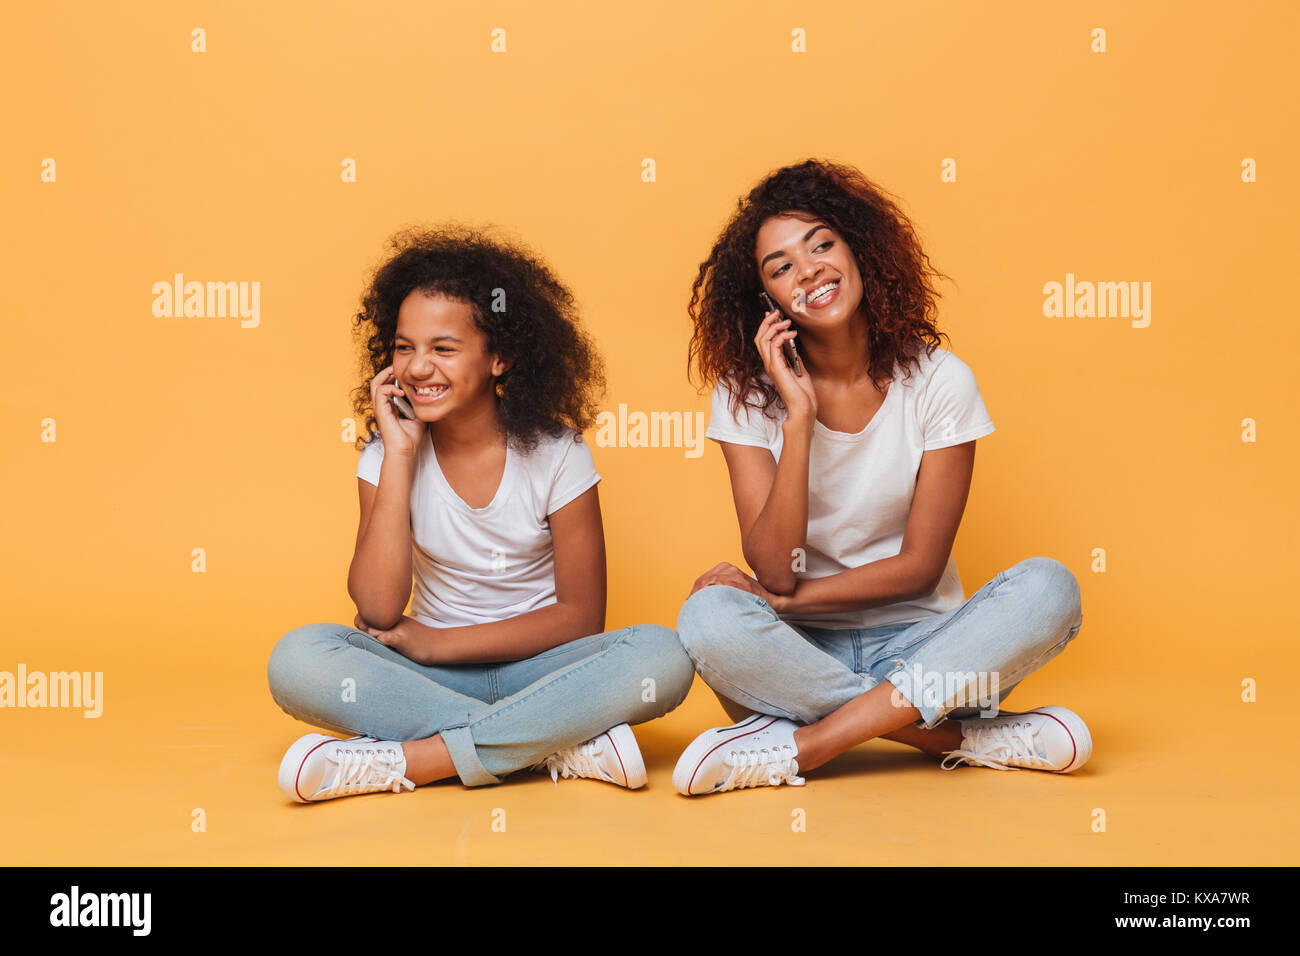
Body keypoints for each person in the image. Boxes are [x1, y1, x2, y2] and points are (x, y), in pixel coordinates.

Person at [672, 159, 1090, 796]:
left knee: (1048, 589)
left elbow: (919, 568)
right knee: (708, 618)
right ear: (768, 300)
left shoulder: (941, 381)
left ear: (858, 250)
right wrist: (799, 417)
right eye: (781, 266)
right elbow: (776, 566)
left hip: (929, 647)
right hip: (801, 654)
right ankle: (960, 739)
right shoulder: (745, 394)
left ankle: (806, 744)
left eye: (821, 244)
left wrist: (781, 600)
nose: (808, 270)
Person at [267, 224, 694, 802]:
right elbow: (375, 606)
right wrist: (398, 454)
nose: (419, 368)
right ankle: (556, 742)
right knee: (298, 659)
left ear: (501, 357)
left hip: (545, 668)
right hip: (429, 679)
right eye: (404, 347)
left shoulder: (556, 454)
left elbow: (580, 618)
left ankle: (417, 760)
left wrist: (437, 644)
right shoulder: (386, 454)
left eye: (444, 348)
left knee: (663, 655)